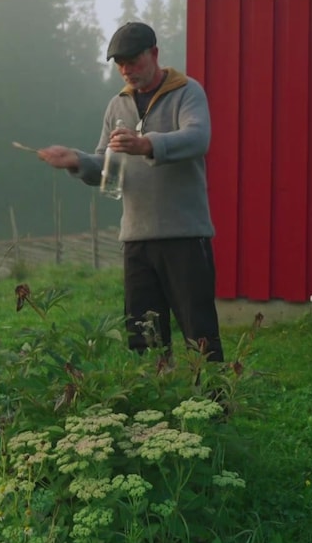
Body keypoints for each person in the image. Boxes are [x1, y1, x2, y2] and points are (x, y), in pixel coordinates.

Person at [37, 21, 223, 362]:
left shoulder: (188, 92)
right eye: (120, 64)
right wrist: (76, 161)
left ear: (154, 54)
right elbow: (107, 167)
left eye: (133, 61)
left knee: (200, 334)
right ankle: (153, 406)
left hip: (185, 235)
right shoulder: (117, 106)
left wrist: (147, 145)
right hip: (136, 239)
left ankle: (215, 407)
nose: (126, 70)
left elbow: (198, 138)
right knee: (144, 336)